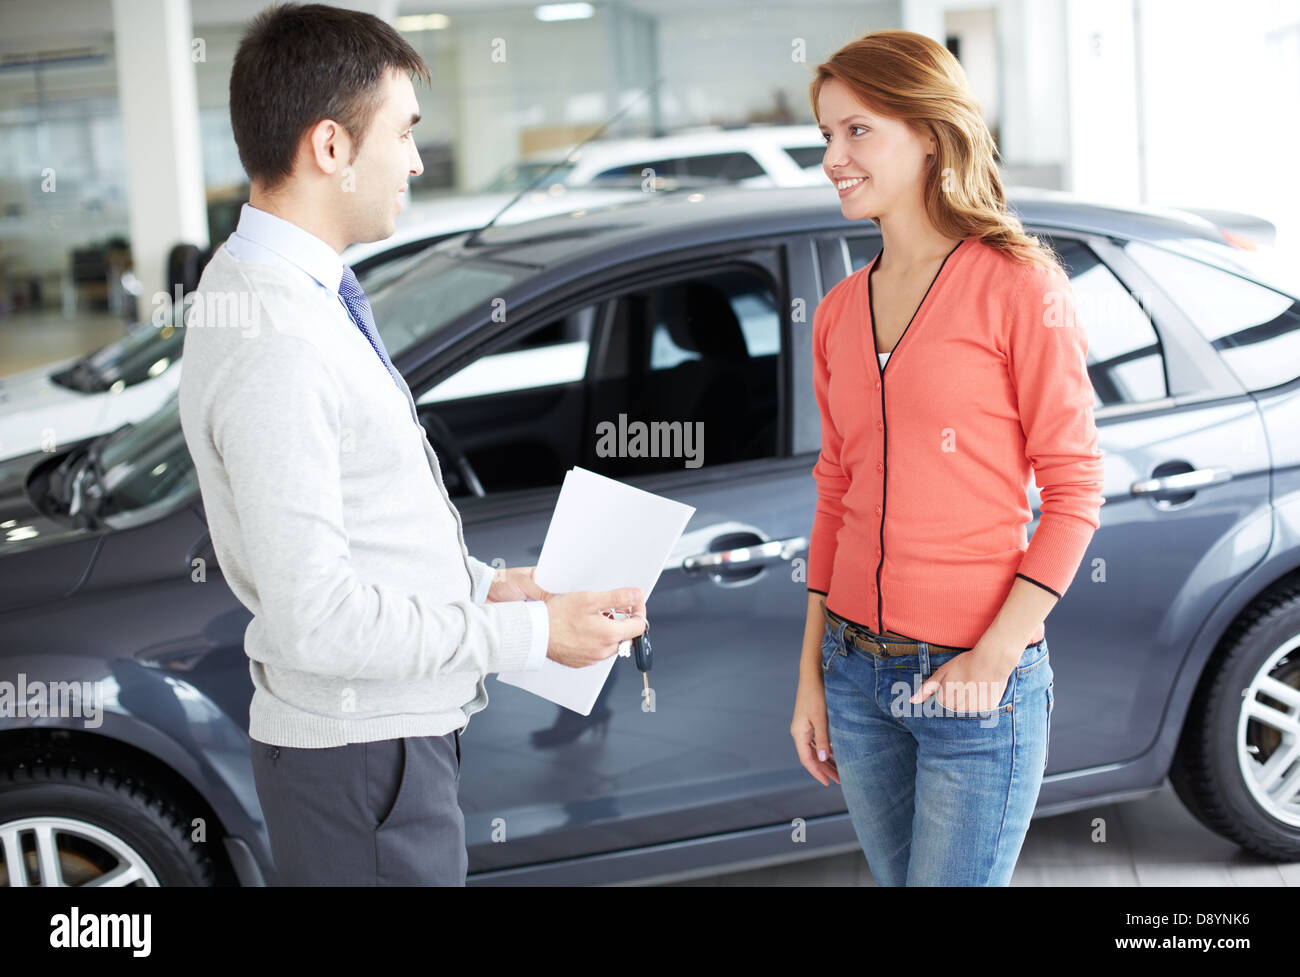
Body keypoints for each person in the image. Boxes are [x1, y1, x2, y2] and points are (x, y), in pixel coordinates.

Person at [177, 3, 647, 886]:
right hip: (364, 760)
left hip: (380, 751)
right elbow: (318, 620)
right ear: (329, 147)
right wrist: (530, 631)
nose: (418, 161)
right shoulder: (278, 333)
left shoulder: (287, 288)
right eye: (405, 132)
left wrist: (487, 586)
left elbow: (361, 530)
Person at [788, 30, 1106, 886]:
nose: (833, 158)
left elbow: (1076, 490)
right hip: (855, 678)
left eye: (857, 131)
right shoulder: (840, 311)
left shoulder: (1017, 285)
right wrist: (813, 673)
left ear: (928, 131)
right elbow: (836, 491)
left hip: (974, 682)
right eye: (825, 136)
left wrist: (995, 657)